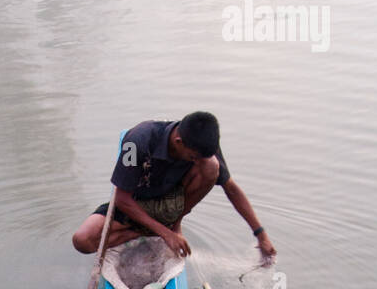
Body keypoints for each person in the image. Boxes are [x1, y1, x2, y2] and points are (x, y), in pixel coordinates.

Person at [72, 112, 275, 262]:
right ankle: (147, 233)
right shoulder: (135, 143)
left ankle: (172, 225)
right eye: (192, 158)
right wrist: (165, 234)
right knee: (82, 240)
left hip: (171, 206)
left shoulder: (204, 147)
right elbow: (121, 198)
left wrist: (261, 234)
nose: (196, 162)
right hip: (135, 204)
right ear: (178, 142)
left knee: (212, 166)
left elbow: (231, 189)